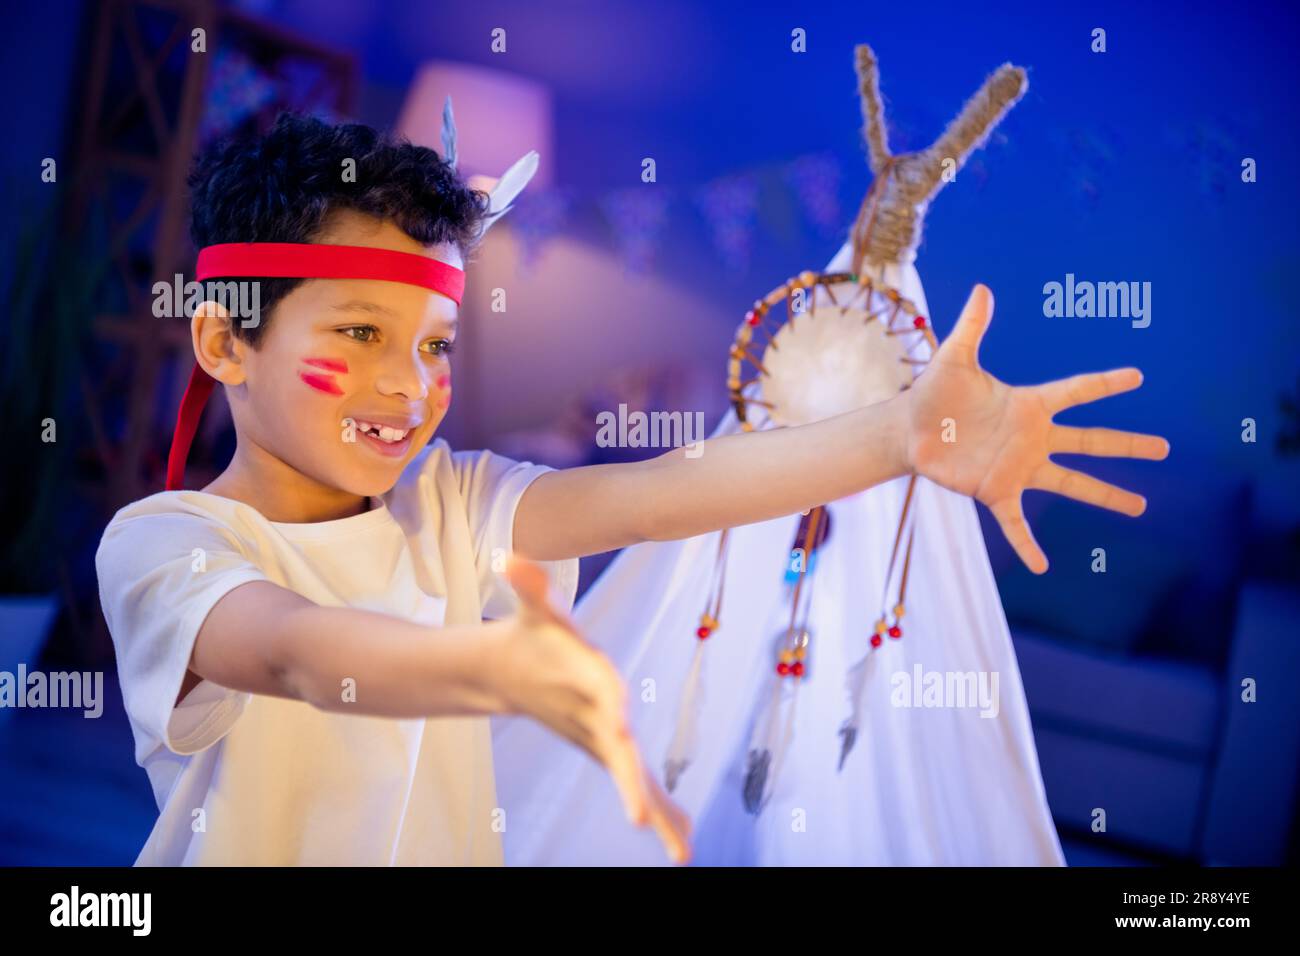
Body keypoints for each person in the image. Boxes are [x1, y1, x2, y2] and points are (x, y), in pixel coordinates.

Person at [96, 113, 1169, 865]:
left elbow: (667, 489)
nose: (407, 385)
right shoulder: (165, 544)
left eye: (434, 344)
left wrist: (898, 430)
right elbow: (290, 646)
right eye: (360, 334)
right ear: (225, 337)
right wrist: (484, 663)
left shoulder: (454, 503)